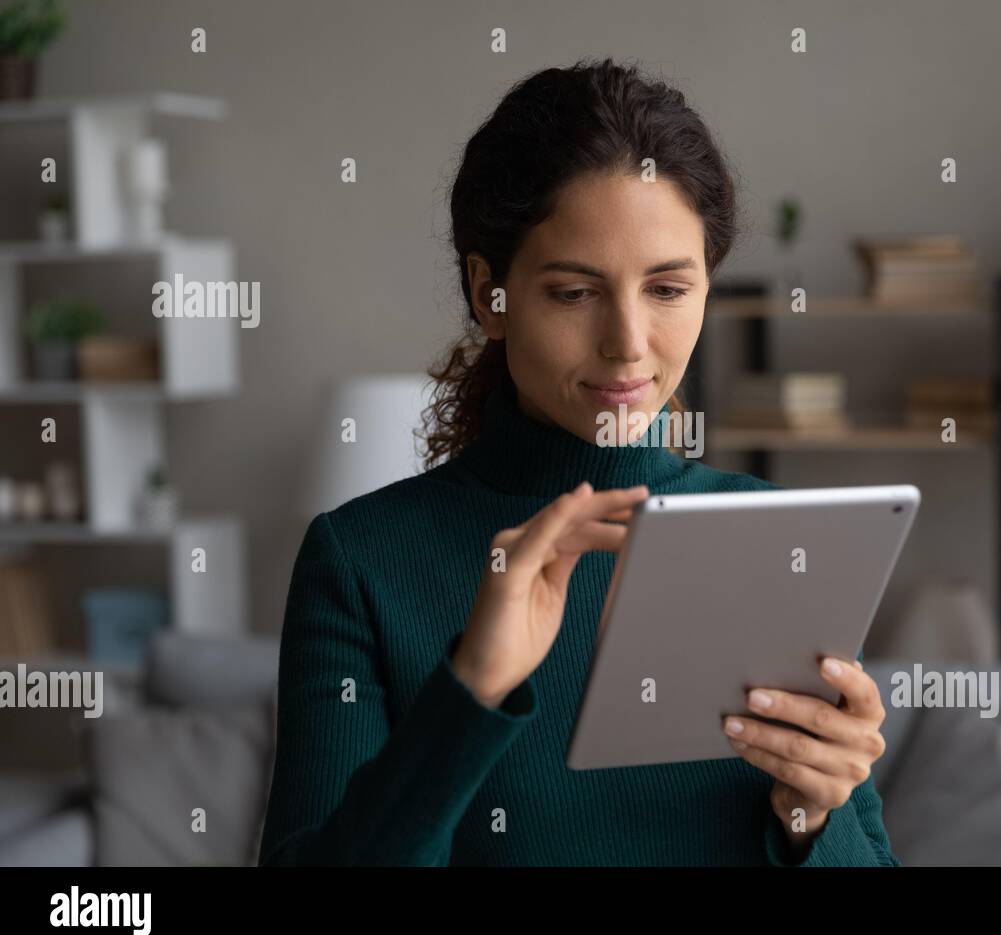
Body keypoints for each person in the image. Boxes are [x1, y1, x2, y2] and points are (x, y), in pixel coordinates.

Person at [258, 57, 898, 867]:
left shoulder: (777, 542)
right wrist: (472, 692)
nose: (628, 344)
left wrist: (814, 819)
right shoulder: (361, 564)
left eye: (667, 289)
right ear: (490, 292)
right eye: (573, 292)